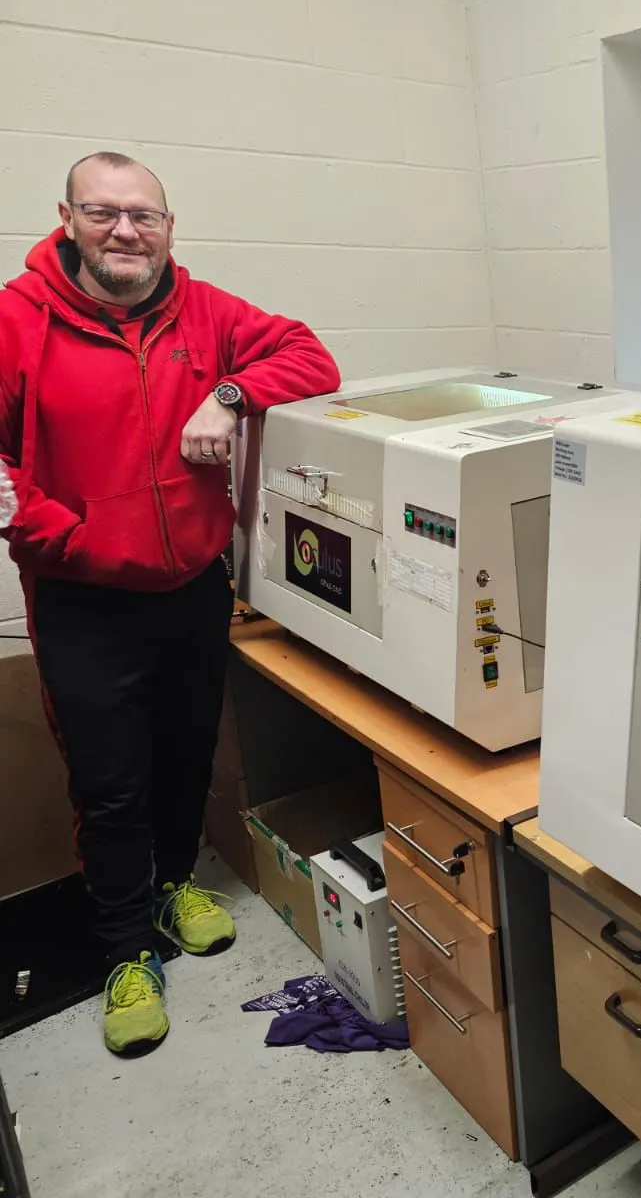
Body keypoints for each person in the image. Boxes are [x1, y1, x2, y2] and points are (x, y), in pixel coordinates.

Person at [0, 152, 341, 1056]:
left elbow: (312, 357)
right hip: (81, 599)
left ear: (168, 227)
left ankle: (175, 885)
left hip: (192, 586)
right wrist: (64, 538)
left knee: (188, 753)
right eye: (103, 212)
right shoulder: (17, 319)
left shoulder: (205, 311)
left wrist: (228, 396)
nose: (125, 231)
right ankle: (124, 950)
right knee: (110, 785)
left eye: (143, 215)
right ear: (67, 219)